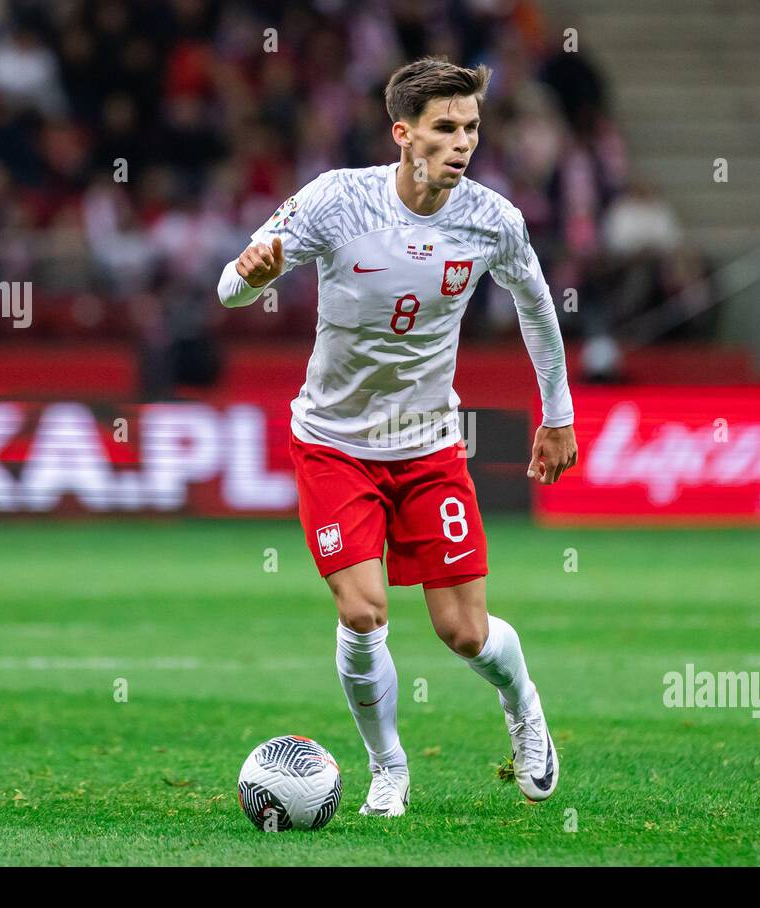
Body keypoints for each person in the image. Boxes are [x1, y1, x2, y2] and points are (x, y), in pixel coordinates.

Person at [217, 56, 577, 817]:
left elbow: (538, 309)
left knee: (464, 632)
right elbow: (231, 285)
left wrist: (558, 415)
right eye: (446, 128)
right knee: (362, 611)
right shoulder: (337, 200)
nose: (462, 143)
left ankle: (524, 710)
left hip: (428, 446)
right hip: (333, 442)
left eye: (472, 127)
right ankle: (389, 768)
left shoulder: (492, 220)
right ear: (403, 132)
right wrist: (252, 276)